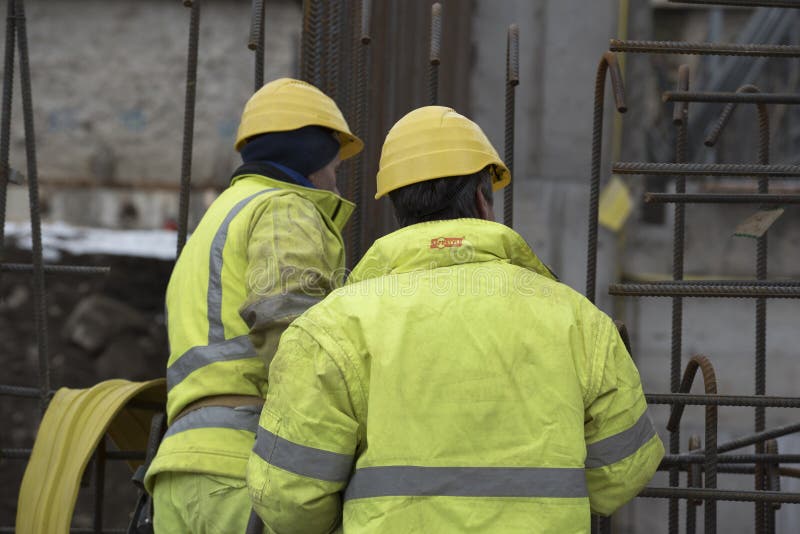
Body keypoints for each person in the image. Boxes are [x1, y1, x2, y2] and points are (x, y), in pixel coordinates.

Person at [246, 106, 664, 533]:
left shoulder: (331, 329)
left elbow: (289, 499)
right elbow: (625, 469)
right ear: (484, 199)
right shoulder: (577, 321)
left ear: (398, 210)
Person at [143, 78, 363, 534]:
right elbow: (295, 337)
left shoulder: (220, 216)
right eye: (334, 169)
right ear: (309, 160)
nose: (335, 182)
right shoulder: (286, 208)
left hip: (179, 472)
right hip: (243, 467)